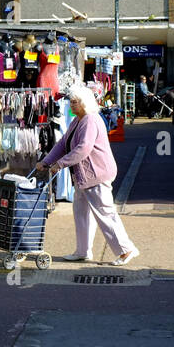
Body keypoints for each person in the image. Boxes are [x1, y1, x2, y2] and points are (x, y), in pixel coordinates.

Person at [35, 84, 139, 266]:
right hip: (84, 177)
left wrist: (59, 164)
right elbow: (63, 144)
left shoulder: (90, 120)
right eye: (71, 102)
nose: (72, 105)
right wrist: (47, 161)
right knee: (81, 213)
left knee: (105, 213)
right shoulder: (78, 120)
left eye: (75, 102)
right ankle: (83, 251)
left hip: (96, 174)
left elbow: (83, 149)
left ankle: (126, 250)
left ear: (85, 103)